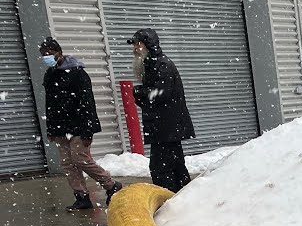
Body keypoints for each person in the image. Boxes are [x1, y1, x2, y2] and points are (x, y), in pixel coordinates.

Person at [38, 37, 122, 212]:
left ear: (59, 53)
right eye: (43, 55)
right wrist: (51, 129)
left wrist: (87, 130)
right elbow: (51, 104)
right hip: (61, 128)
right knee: (68, 163)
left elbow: (87, 103)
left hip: (79, 125)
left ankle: (111, 184)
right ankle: (81, 196)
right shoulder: (50, 74)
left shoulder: (77, 73)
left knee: (80, 159)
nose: (46, 57)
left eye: (49, 54)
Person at [128, 28, 194, 193]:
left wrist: (138, 92)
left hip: (167, 127)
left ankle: (169, 200)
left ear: (148, 45)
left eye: (138, 44)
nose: (135, 48)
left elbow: (159, 94)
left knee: (161, 169)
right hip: (164, 127)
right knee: (175, 165)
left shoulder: (162, 65)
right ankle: (182, 197)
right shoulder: (152, 64)